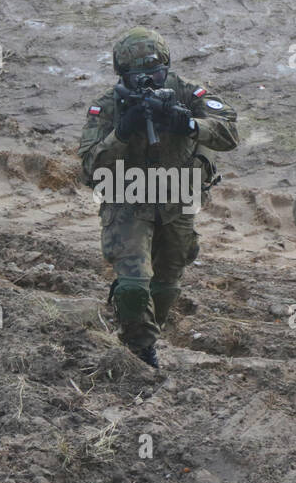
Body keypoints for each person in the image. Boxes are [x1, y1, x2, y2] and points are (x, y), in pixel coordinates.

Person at [77, 27, 239, 368]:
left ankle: (144, 331)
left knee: (165, 288)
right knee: (134, 287)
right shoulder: (107, 107)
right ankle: (140, 350)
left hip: (176, 199)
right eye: (138, 76)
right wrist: (122, 132)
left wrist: (190, 126)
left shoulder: (186, 93)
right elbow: (91, 167)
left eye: (155, 72)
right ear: (123, 76)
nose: (149, 80)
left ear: (166, 67)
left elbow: (229, 132)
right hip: (127, 200)